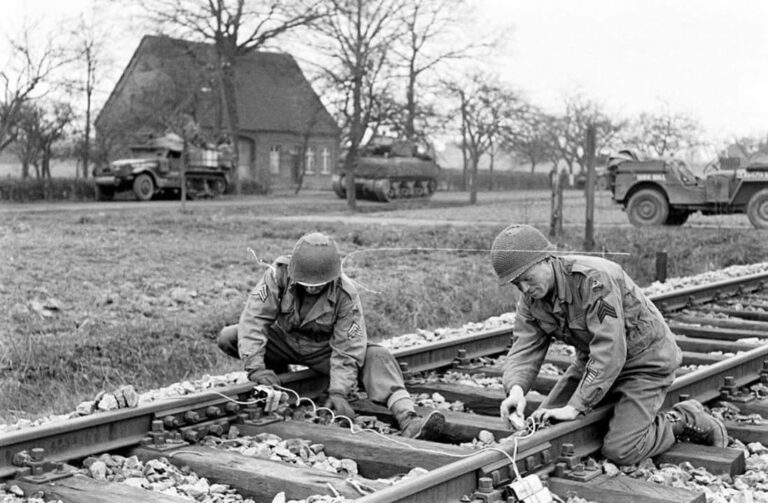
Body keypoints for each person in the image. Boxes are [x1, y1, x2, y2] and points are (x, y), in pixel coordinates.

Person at [492, 224, 727, 465]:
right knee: (542, 429)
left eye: (527, 279)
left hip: (645, 364)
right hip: (594, 365)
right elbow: (524, 347)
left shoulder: (594, 280)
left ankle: (686, 417)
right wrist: (516, 391)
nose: (524, 289)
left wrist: (576, 407)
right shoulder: (531, 300)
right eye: (516, 284)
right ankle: (615, 411)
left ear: (547, 259)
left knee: (621, 450)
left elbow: (610, 349)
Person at [218, 231, 444, 440]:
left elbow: (349, 345)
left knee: (377, 355)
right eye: (307, 284)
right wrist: (256, 368)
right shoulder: (276, 276)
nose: (313, 289)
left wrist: (339, 391)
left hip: (324, 352)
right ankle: (279, 379)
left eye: (319, 285)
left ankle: (408, 418)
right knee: (231, 335)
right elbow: (254, 319)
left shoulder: (347, 295)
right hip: (284, 342)